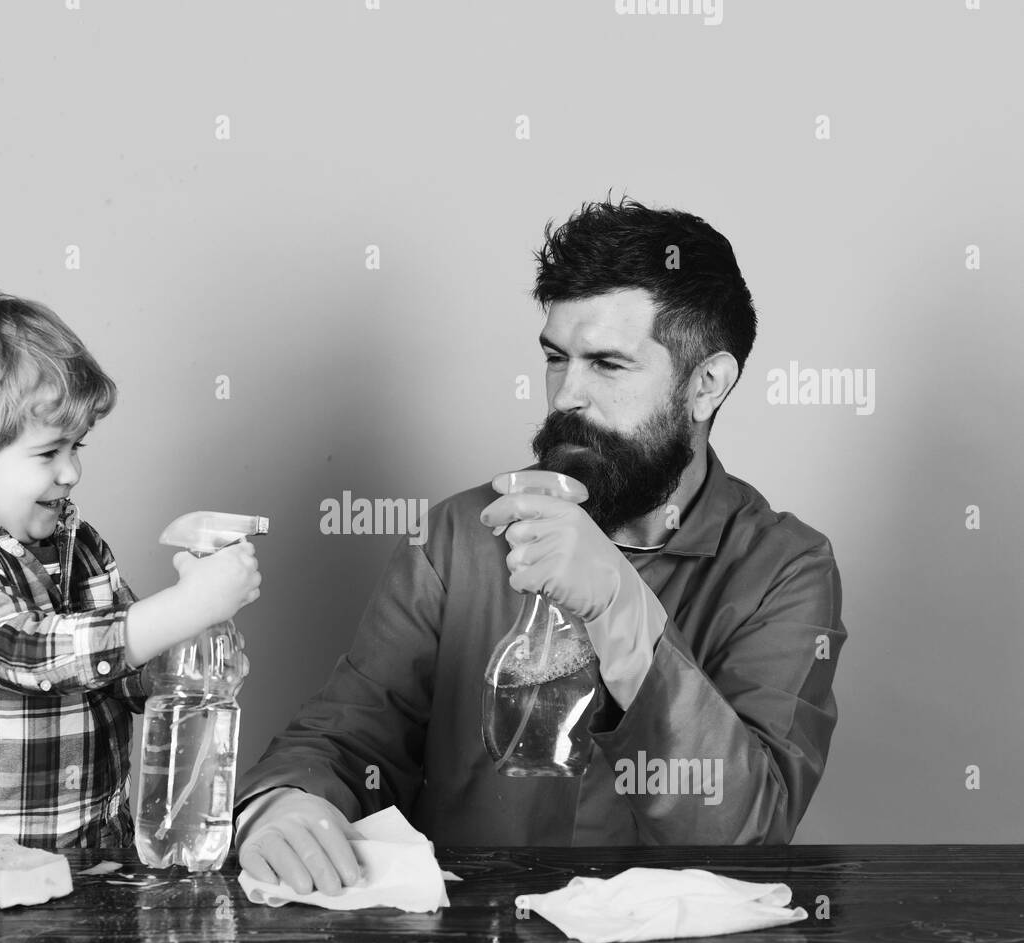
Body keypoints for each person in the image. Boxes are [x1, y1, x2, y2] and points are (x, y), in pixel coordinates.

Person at [235, 196, 847, 895]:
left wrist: (621, 609)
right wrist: (283, 802)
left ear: (707, 383)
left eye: (609, 365)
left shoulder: (785, 569)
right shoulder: (461, 536)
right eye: (557, 358)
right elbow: (348, 735)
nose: (567, 397)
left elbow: (748, 836)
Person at [0, 287, 261, 848]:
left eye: (78, 448)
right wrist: (185, 605)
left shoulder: (83, 549)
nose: (71, 471)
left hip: (101, 851)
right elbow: (30, 655)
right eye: (48, 453)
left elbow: (122, 671)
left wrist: (188, 648)